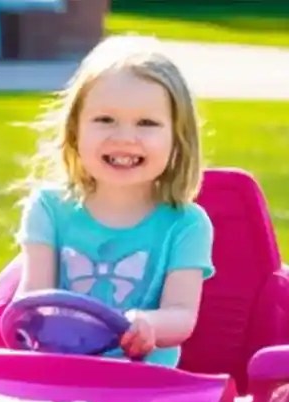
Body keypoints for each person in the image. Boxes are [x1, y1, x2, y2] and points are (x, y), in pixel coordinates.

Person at [13, 34, 214, 368]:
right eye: (105, 120)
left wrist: (149, 324)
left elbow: (182, 315)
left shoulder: (186, 224)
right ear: (75, 131)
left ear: (178, 140)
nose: (124, 138)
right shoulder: (48, 209)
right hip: (59, 375)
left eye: (147, 123)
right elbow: (33, 300)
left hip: (144, 383)